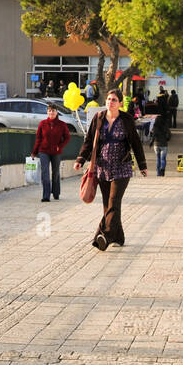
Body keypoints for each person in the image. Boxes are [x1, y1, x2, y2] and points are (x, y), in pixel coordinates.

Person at [75, 90, 148, 250]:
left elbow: (136, 142)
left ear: (120, 103)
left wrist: (142, 165)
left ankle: (103, 236)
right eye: (108, 99)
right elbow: (89, 141)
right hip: (102, 168)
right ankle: (119, 236)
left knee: (114, 201)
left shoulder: (127, 119)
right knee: (108, 205)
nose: (110, 102)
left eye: (114, 100)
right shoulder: (99, 118)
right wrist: (81, 159)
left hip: (122, 167)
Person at [31, 103, 71, 202]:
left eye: (53, 111)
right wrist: (34, 151)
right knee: (45, 172)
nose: (51, 112)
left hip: (56, 152)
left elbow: (67, 137)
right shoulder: (42, 123)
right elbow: (38, 138)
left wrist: (60, 146)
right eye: (49, 111)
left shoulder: (62, 124)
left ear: (56, 112)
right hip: (43, 151)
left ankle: (56, 192)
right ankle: (46, 195)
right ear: (47, 112)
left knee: (55, 172)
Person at [151, 107, 171, 176]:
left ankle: (158, 173)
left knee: (158, 158)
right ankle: (162, 168)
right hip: (164, 144)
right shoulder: (165, 126)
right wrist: (167, 139)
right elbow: (169, 135)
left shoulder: (155, 126)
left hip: (156, 144)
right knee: (163, 158)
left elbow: (152, 135)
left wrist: (152, 142)